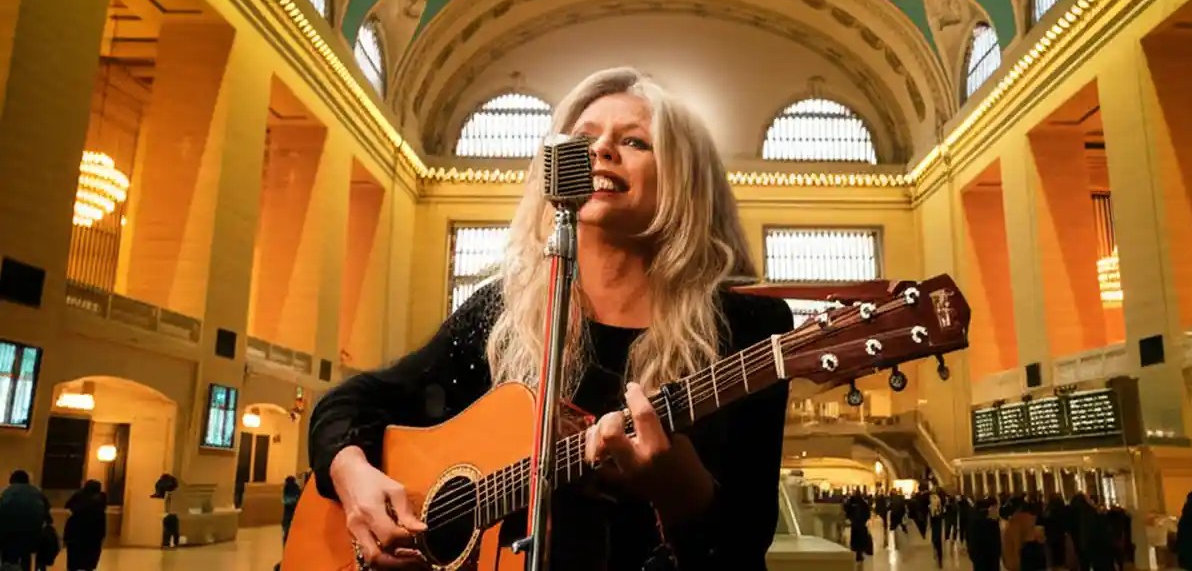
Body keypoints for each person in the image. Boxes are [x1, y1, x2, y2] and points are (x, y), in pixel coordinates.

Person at [308, 68, 794, 570]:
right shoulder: (503, 312)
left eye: (635, 141)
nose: (602, 150)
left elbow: (744, 544)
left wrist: (681, 494)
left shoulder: (749, 325)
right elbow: (349, 404)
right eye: (584, 138)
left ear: (685, 177)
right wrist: (352, 474)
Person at [0, 470, 52, 571]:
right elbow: (47, 514)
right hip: (32, 535)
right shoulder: (37, 493)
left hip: (8, 534)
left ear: (12, 480)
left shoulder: (6, 492)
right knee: (26, 555)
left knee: (8, 557)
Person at [63, 480, 107, 571]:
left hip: (76, 531)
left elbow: (67, 505)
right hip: (94, 532)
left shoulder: (79, 496)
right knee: (90, 558)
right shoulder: (101, 498)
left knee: (74, 558)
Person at [842, 490, 873, 565]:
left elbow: (847, 510)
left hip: (856, 524)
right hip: (861, 524)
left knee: (856, 539)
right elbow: (867, 513)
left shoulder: (853, 502)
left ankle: (858, 553)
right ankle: (859, 553)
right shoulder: (863, 503)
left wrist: (850, 518)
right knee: (861, 539)